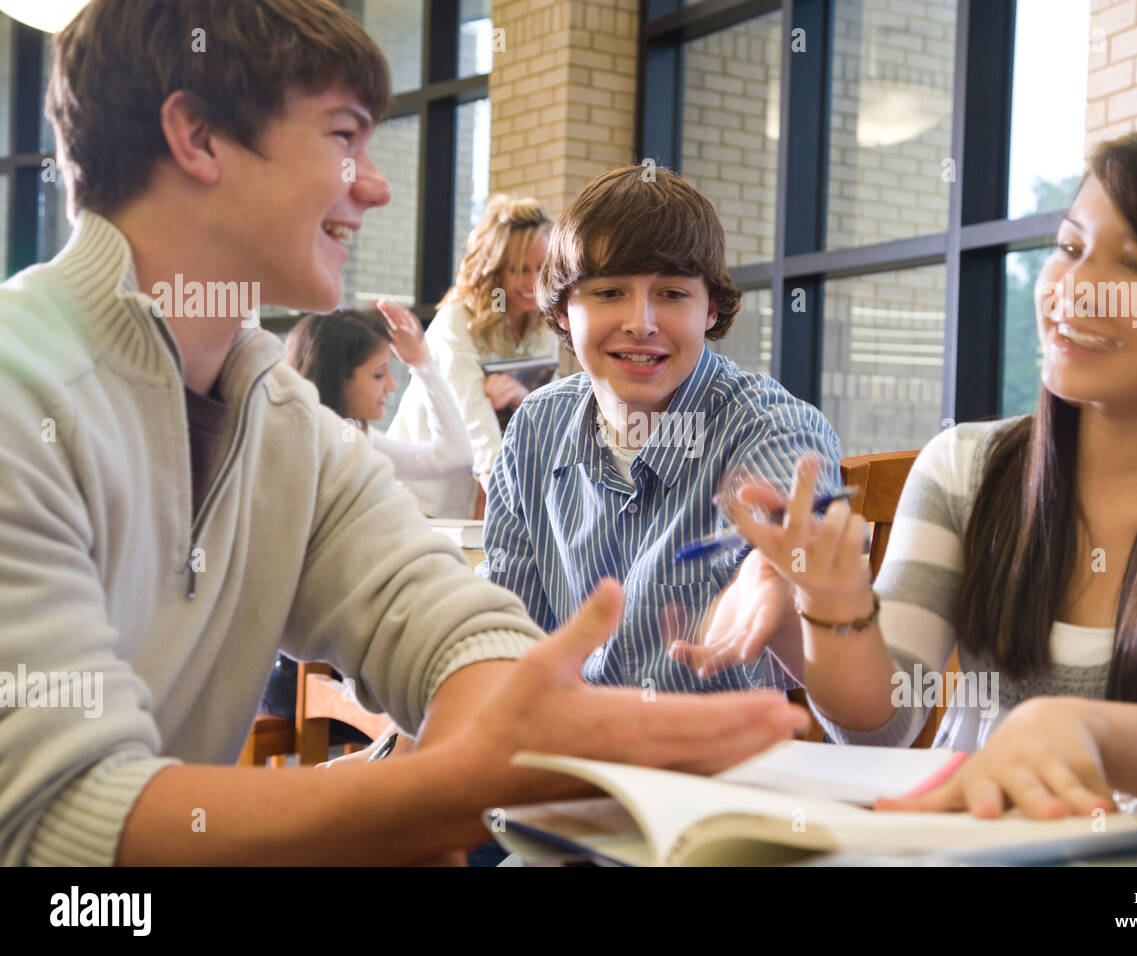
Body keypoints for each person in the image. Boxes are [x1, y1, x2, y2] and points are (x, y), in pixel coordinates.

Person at [0, 0, 808, 867]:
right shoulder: (22, 392)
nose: (375, 185)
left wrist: (469, 773)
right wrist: (438, 798)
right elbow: (53, 827)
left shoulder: (279, 422)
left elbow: (454, 627)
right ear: (198, 136)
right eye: (343, 138)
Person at [675, 120, 1137, 818]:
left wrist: (1084, 729)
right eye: (1070, 247)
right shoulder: (969, 469)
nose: (1077, 288)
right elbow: (879, 723)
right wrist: (828, 604)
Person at [483, 164, 842, 695]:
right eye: (608, 293)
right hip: (566, 758)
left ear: (710, 309)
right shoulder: (536, 426)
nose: (641, 322)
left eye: (672, 294)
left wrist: (777, 579)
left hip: (719, 765)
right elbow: (507, 637)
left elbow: (790, 579)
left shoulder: (773, 431)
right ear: (561, 311)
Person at [388, 195, 556, 493]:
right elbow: (475, 422)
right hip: (423, 490)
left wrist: (522, 396)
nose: (533, 283)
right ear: (496, 268)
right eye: (519, 269)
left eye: (542, 268)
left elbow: (552, 413)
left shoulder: (544, 325)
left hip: (482, 490)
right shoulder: (457, 321)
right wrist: (511, 500)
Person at [285, 302, 477, 517]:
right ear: (338, 379)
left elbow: (456, 457)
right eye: (379, 374)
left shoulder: (359, 436)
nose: (392, 385)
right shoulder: (299, 448)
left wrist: (421, 363)